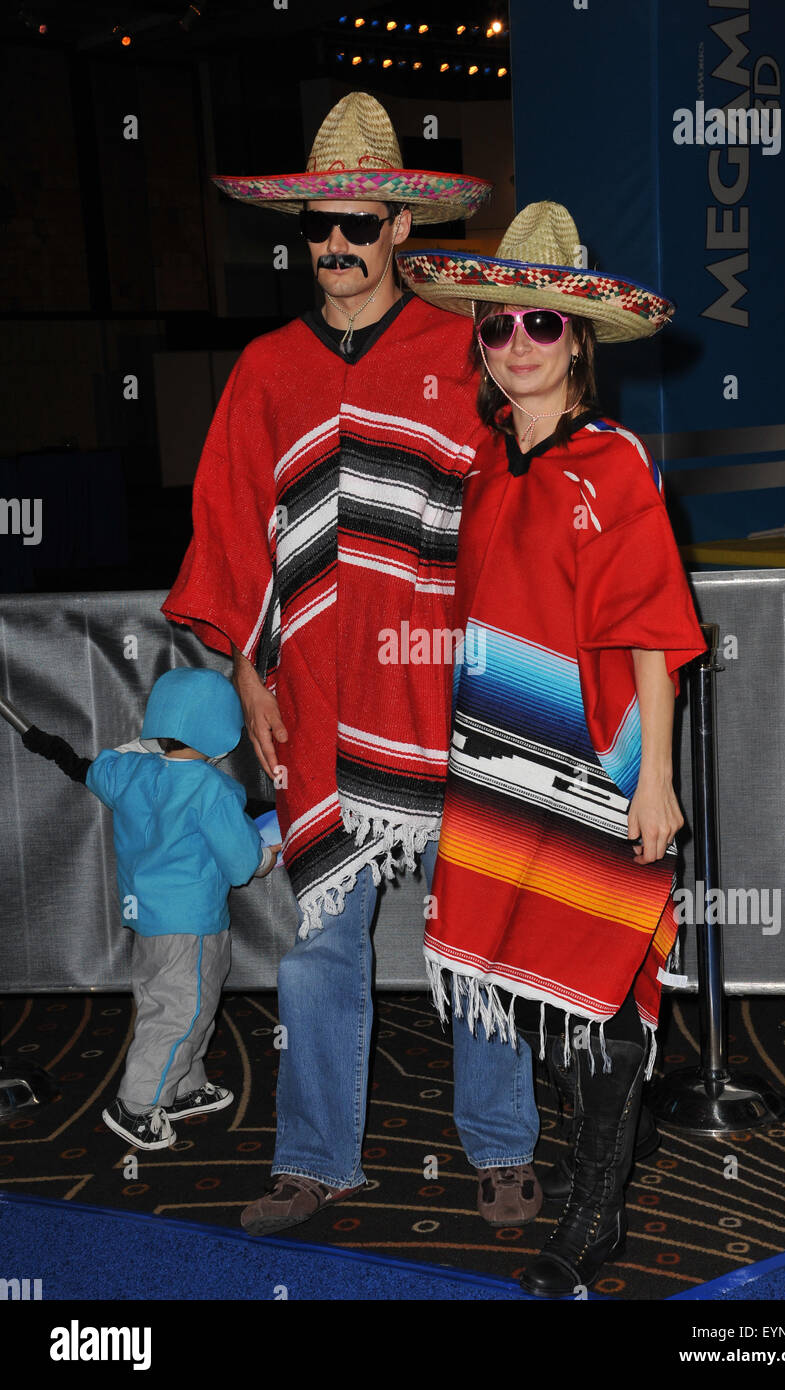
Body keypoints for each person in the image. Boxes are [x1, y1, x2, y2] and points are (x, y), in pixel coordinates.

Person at [162, 92, 541, 1232]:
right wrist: (242, 672)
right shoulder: (265, 371)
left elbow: (508, 514)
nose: (336, 244)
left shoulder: (461, 351)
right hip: (320, 702)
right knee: (321, 939)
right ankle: (315, 1158)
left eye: (359, 223)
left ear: (400, 230)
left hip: (447, 691)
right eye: (321, 225)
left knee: (476, 928)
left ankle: (504, 1147)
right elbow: (231, 532)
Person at [398, 202, 706, 1296]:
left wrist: (657, 778)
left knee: (612, 989)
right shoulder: (482, 469)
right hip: (505, 765)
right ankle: (612, 1152)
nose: (518, 344)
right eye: (498, 327)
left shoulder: (613, 465)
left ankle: (593, 1214)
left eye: (541, 323)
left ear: (578, 341)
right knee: (558, 994)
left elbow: (656, 635)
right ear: (479, 342)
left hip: (609, 763)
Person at [88, 668, 278, 1150]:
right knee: (184, 1012)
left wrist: (151, 744)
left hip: (147, 921)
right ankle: (135, 1105)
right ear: (222, 733)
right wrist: (265, 854)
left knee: (169, 1005)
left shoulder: (130, 773)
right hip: (192, 924)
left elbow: (100, 767)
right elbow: (240, 866)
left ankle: (184, 1087)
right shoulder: (213, 789)